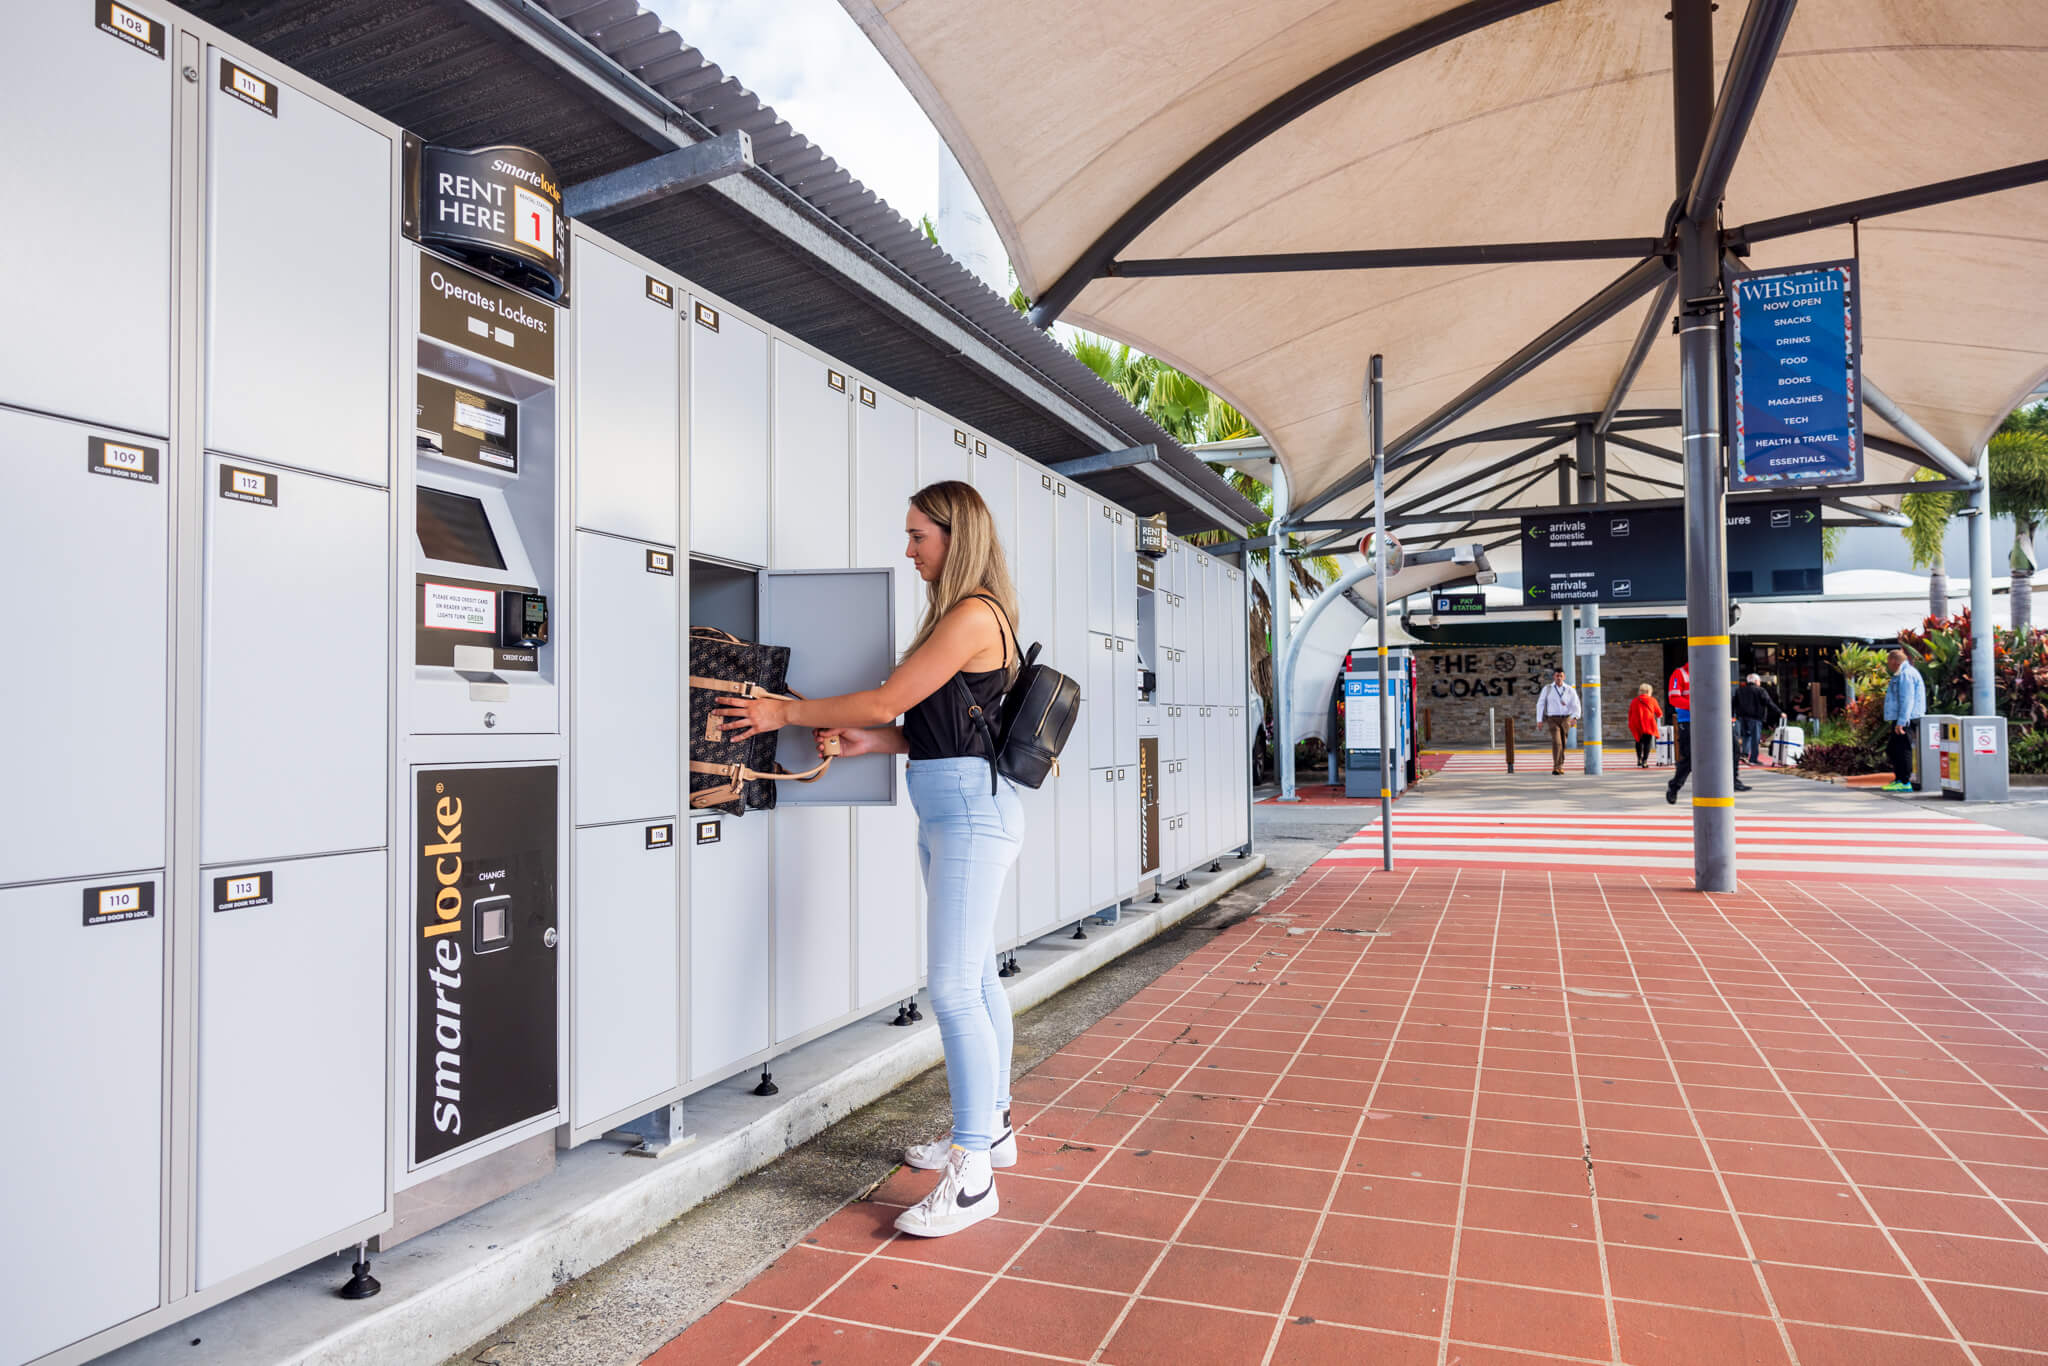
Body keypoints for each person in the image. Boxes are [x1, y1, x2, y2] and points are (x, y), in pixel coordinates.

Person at [716, 480, 1022, 1237]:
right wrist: (867, 742)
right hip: (951, 804)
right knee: (977, 977)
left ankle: (975, 1173)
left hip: (971, 815)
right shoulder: (963, 617)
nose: (908, 548)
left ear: (956, 537)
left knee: (951, 988)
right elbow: (932, 728)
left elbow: (889, 697)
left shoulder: (973, 613)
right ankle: (992, 1130)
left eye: (918, 534)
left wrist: (783, 711)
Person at [1666, 660, 1750, 803]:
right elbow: (1674, 699)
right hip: (1689, 720)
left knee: (1733, 747)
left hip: (1714, 719)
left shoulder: (1711, 673)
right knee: (1690, 757)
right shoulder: (1679, 674)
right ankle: (1674, 786)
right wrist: (1697, 707)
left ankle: (1733, 780)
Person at [1881, 648, 1927, 792]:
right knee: (1894, 749)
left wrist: (1901, 722)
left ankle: (1904, 781)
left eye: (1888, 662)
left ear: (1894, 661)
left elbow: (1907, 699)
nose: (1888, 666)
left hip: (1905, 718)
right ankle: (1899, 779)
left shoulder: (1906, 675)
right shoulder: (1903, 673)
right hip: (1903, 717)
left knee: (1902, 749)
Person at [1535, 667, 1581, 775]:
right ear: (1553, 677)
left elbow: (1576, 704)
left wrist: (1575, 717)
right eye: (1557, 676)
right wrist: (1539, 720)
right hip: (1552, 719)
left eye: (1561, 676)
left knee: (1563, 743)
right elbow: (1540, 704)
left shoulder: (1569, 689)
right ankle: (1556, 767)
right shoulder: (1548, 689)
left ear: (1564, 677)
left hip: (1565, 719)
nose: (1559, 678)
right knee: (1557, 742)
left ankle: (1560, 765)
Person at [1732, 672, 1781, 764]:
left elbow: (1734, 703)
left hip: (1742, 717)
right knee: (1755, 738)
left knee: (1746, 736)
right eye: (1759, 681)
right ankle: (1753, 758)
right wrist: (1779, 712)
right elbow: (1768, 702)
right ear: (1755, 681)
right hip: (1755, 717)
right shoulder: (1760, 690)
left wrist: (1733, 715)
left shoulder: (1740, 690)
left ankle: (1745, 754)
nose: (1760, 682)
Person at [1628, 683, 1661, 768]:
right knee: (1647, 743)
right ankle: (1644, 761)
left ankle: (1639, 759)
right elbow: (1659, 713)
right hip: (1648, 724)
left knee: (1638, 740)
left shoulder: (1634, 700)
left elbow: (1630, 713)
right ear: (1649, 691)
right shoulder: (1652, 700)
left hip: (1636, 724)